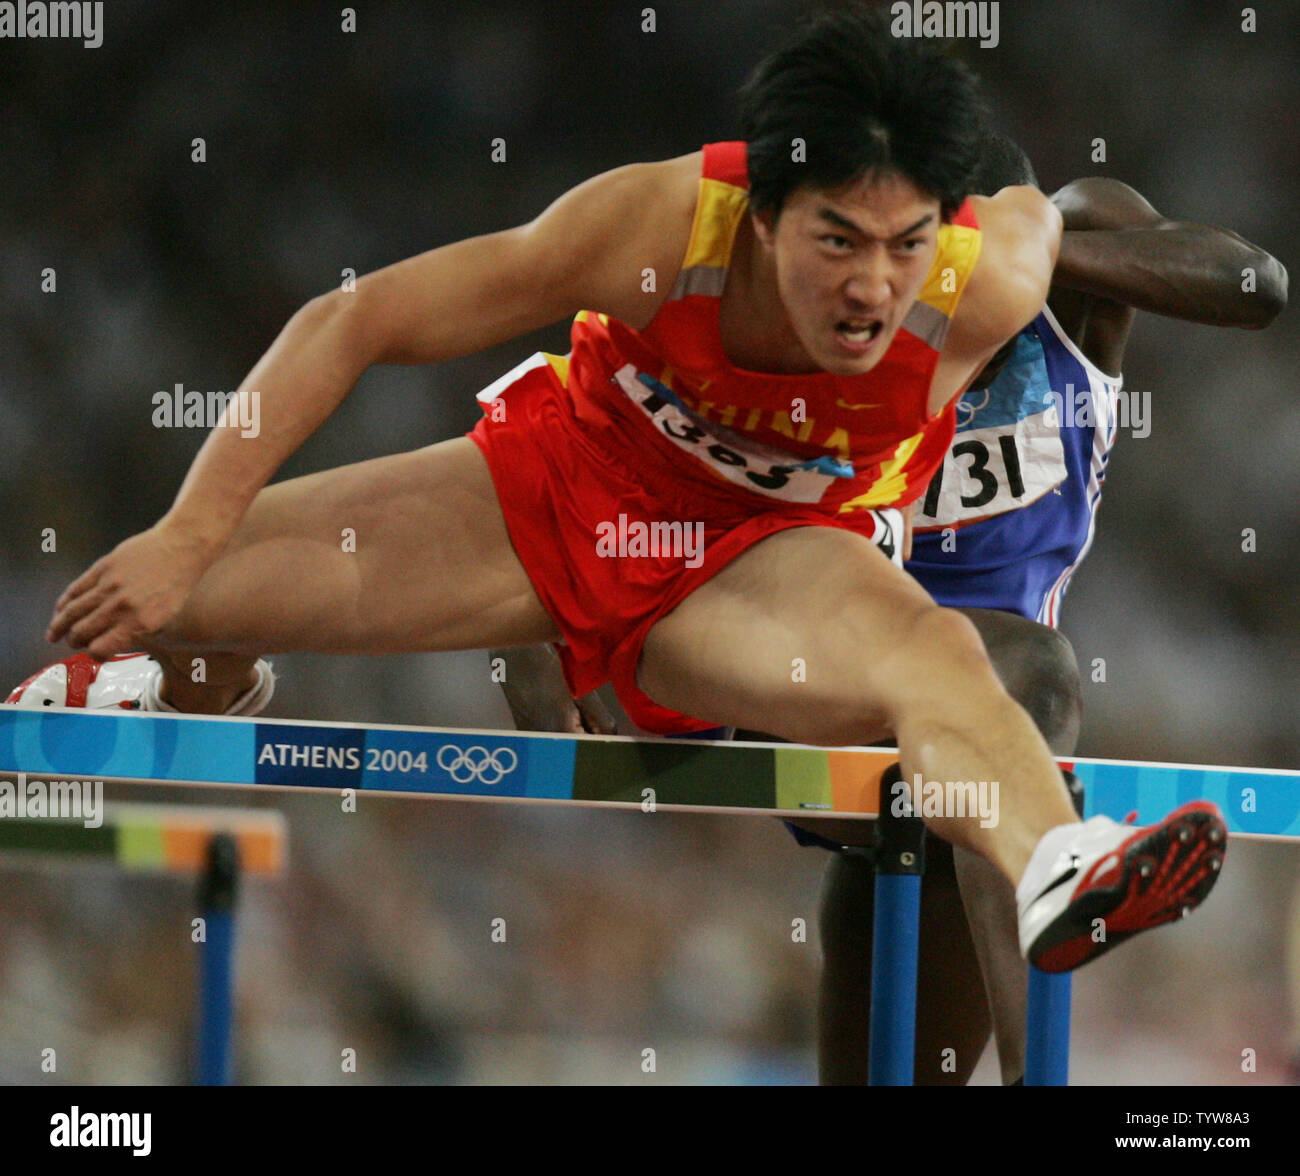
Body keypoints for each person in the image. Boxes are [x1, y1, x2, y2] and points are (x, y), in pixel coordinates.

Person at [6, 9, 1226, 988]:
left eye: (906, 245)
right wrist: (183, 538)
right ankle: (211, 671)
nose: (872, 290)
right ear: (759, 212)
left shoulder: (990, 278)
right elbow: (353, 320)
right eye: (836, 241)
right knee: (164, 598)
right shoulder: (655, 223)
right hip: (564, 489)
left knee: (937, 653)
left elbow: (1205, 274)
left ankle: (1056, 868)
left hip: (775, 555)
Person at [492, 131, 1287, 1084]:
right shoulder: (831, 318)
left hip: (962, 770)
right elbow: (610, 423)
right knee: (1022, 676)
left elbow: (1256, 286)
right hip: (804, 678)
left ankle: (1034, 882)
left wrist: (1014, 258)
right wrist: (543, 619)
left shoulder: (1072, 266)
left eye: (945, 270)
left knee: (1002, 719)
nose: (943, 320)